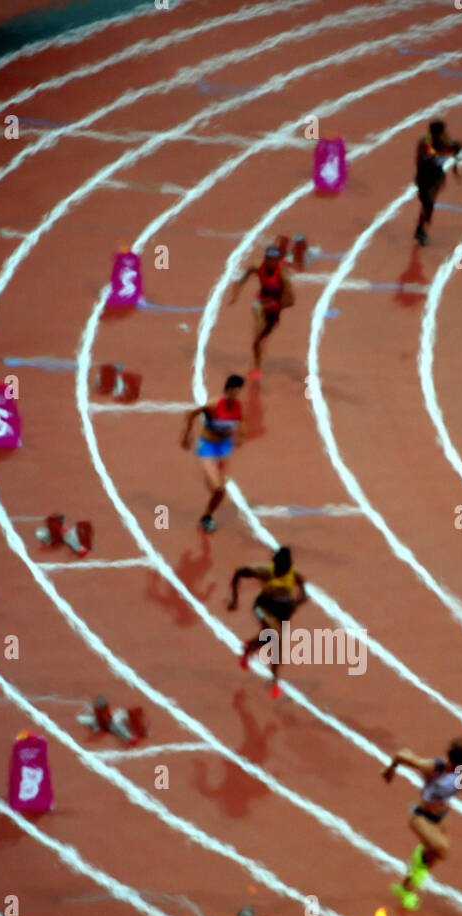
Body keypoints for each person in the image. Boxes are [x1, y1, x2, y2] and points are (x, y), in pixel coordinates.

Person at [382, 738, 462, 909]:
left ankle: (406, 889)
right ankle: (419, 857)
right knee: (442, 849)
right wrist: (390, 769)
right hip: (421, 816)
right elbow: (402, 755)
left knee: (432, 857)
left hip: (441, 818)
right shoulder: (433, 767)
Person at [227, 545, 307, 699]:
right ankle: (275, 680)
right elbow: (239, 572)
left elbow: (304, 592)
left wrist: (296, 603)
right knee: (275, 637)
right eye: (278, 566)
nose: (280, 570)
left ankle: (248, 647)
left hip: (281, 612)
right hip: (263, 607)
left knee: (269, 638)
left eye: (283, 567)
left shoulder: (293, 574)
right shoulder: (265, 571)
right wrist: (234, 599)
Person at [180, 373, 246, 532]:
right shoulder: (213, 404)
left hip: (224, 447)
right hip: (207, 446)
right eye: (234, 391)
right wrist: (187, 434)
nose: (236, 395)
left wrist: (240, 436)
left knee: (222, 489)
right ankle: (210, 475)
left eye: (239, 392)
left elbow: (239, 422)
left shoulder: (238, 407)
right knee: (217, 487)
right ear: (227, 390)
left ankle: (207, 516)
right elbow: (191, 414)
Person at [229, 245, 295, 377]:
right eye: (268, 259)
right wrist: (235, 296)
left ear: (277, 260)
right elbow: (241, 280)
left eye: (274, 260)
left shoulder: (282, 274)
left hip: (275, 307)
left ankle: (260, 340)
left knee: (264, 334)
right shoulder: (256, 267)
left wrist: (276, 305)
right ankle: (257, 366)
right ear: (265, 259)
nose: (271, 262)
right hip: (260, 301)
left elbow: (291, 301)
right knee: (257, 339)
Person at [414, 119, 462, 246]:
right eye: (440, 132)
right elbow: (432, 155)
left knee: (428, 205)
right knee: (427, 204)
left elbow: (453, 148)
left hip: (435, 176)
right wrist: (450, 150)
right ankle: (420, 230)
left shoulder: (444, 139)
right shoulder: (426, 142)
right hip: (424, 175)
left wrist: (456, 150)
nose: (442, 134)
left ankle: (420, 229)